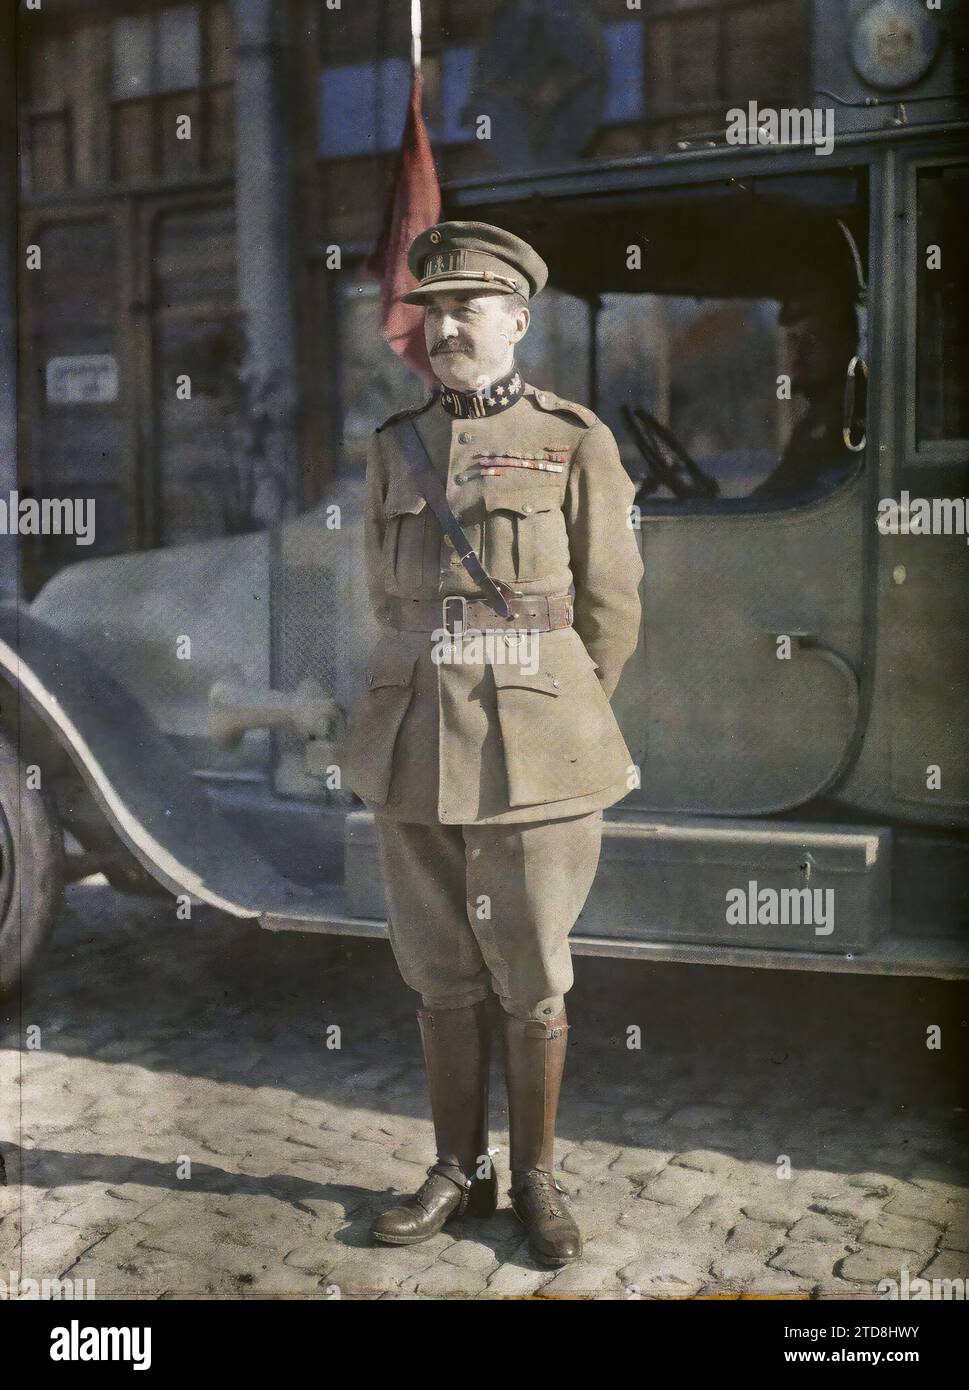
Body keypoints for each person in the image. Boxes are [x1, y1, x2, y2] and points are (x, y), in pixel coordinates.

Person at [343, 221, 643, 1267]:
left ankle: (539, 1177)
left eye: (470, 308)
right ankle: (454, 1170)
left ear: (519, 319)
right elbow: (389, 598)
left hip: (536, 744)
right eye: (433, 309)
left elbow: (610, 608)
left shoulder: (573, 439)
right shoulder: (394, 448)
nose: (447, 326)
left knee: (532, 971)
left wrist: (555, 708)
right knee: (438, 970)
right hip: (413, 736)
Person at [751, 281, 860, 501]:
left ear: (847, 344)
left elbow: (794, 499)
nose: (798, 355)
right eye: (793, 340)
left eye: (811, 340)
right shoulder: (818, 416)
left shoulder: (851, 414)